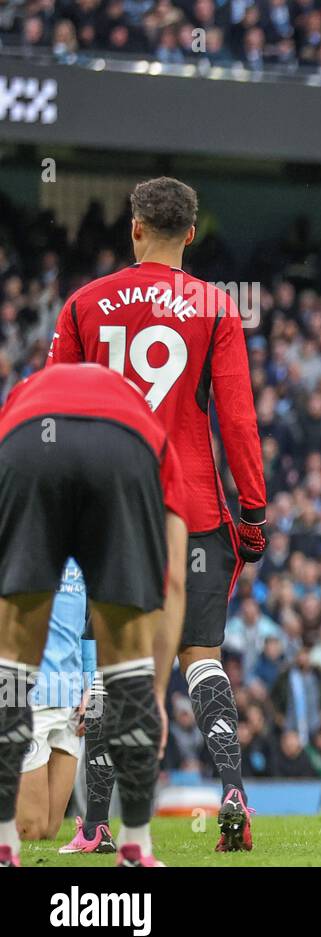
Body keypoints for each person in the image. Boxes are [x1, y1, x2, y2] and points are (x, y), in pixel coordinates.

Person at [47, 177, 268, 851]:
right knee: (201, 658)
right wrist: (252, 510)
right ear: (192, 235)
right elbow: (237, 416)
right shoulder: (215, 307)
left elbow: (55, 407)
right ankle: (232, 787)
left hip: (109, 510)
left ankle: (94, 827)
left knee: (117, 663)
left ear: (135, 228)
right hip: (194, 508)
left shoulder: (85, 304)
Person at [0, 363, 188, 867]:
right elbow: (171, 582)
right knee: (128, 663)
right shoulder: (156, 436)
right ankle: (136, 846)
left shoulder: (25, 396)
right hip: (123, 451)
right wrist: (155, 693)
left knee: (12, 656)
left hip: (22, 440)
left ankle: (3, 844)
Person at [15, 560, 95, 846]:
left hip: (71, 702)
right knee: (29, 829)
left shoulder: (84, 550)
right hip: (28, 696)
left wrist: (92, 689)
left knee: (48, 830)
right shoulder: (21, 542)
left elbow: (92, 625)